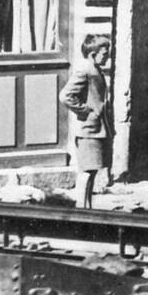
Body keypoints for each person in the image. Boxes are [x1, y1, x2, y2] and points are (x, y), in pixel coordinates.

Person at [59, 33, 113, 209]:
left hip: (96, 129)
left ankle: (86, 209)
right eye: (105, 53)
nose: (108, 57)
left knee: (92, 170)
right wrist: (87, 112)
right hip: (89, 130)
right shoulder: (85, 70)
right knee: (87, 172)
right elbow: (66, 96)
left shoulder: (94, 69)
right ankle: (82, 210)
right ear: (92, 54)